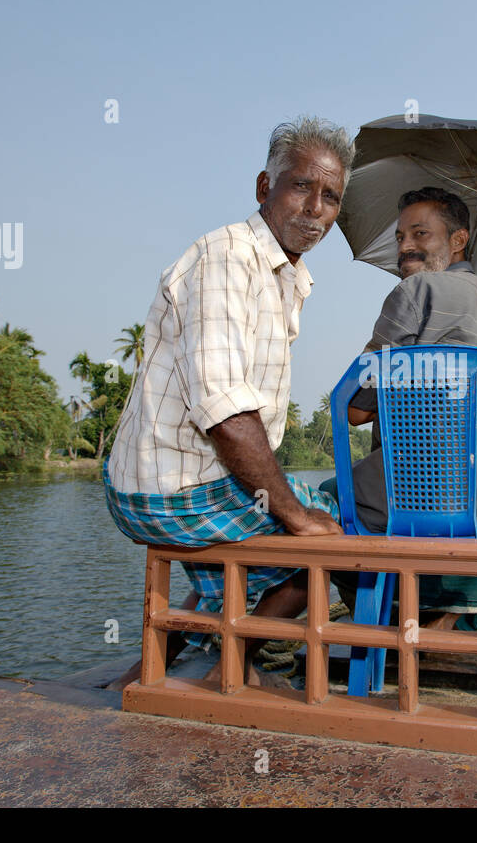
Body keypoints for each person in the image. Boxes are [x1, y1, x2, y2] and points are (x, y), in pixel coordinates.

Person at [104, 115, 353, 689]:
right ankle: (230, 673)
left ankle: (152, 664)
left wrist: (288, 503)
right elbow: (225, 409)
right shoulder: (227, 259)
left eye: (331, 196)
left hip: (192, 480)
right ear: (264, 188)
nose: (315, 207)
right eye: (301, 186)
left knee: (299, 516)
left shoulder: (288, 278)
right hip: (169, 489)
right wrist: (294, 515)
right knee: (329, 542)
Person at [327, 186, 477, 630]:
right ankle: (444, 611)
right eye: (399, 237)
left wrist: (378, 363)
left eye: (421, 234)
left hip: (423, 504)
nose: (405, 247)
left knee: (321, 499)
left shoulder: (415, 292)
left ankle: (381, 617)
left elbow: (354, 413)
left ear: (458, 241)